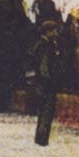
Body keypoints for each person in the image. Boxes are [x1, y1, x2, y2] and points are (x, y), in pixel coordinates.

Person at [25, 18, 64, 147]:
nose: (56, 34)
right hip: (44, 82)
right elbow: (41, 66)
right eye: (54, 31)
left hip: (44, 81)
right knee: (46, 110)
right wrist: (39, 81)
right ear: (47, 32)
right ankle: (42, 139)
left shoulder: (48, 45)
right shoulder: (43, 46)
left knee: (44, 111)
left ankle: (41, 137)